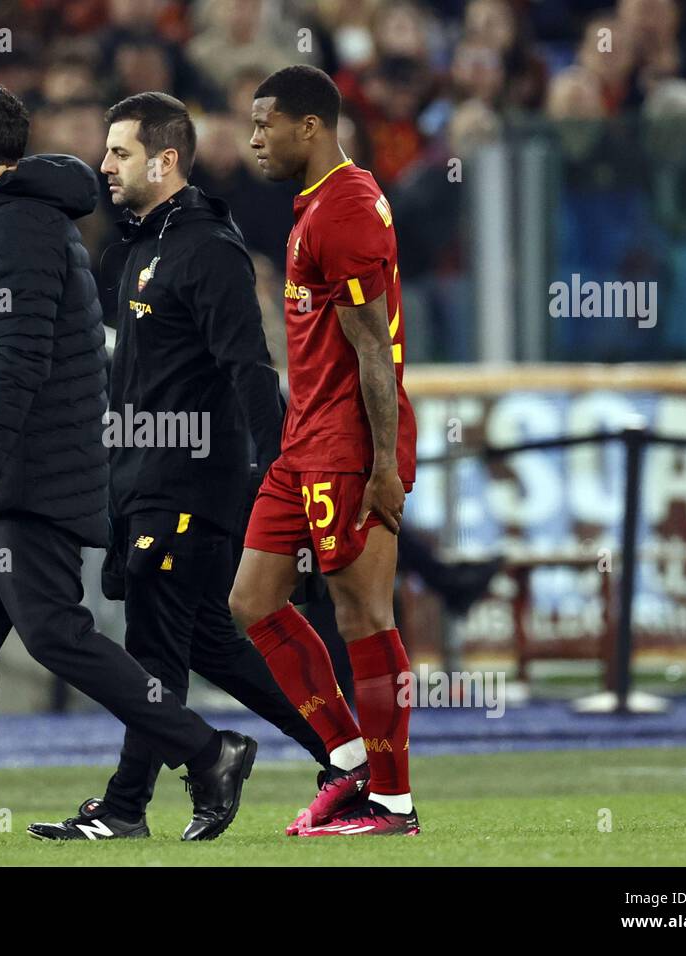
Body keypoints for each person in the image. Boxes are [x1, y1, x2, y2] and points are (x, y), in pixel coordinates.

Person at [0, 82, 254, 850]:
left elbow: (20, 360)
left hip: (25, 477)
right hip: (14, 472)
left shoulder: (20, 230)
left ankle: (210, 750)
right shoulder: (20, 223)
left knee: (57, 636)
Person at [27, 92, 328, 841]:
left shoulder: (207, 249)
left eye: (120, 152)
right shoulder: (130, 250)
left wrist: (283, 476)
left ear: (164, 161)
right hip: (145, 481)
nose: (104, 165)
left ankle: (128, 805)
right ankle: (348, 752)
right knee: (207, 643)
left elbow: (251, 372)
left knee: (154, 650)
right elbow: (133, 388)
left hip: (194, 483)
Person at [230, 65, 420, 837]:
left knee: (365, 617)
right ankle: (348, 760)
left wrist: (382, 463)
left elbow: (375, 351)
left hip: (347, 444)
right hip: (302, 438)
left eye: (263, 123)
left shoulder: (344, 211)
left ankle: (393, 803)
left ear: (309, 126)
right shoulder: (317, 206)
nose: (253, 140)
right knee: (251, 601)